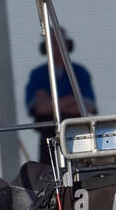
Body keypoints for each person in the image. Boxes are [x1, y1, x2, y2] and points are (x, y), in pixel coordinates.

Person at [24, 28, 96, 163]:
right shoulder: (37, 75)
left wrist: (51, 102)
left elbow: (87, 107)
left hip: (78, 136)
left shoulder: (80, 72)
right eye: (52, 43)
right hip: (48, 140)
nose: (57, 48)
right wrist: (72, 99)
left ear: (68, 45)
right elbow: (39, 108)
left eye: (60, 43)